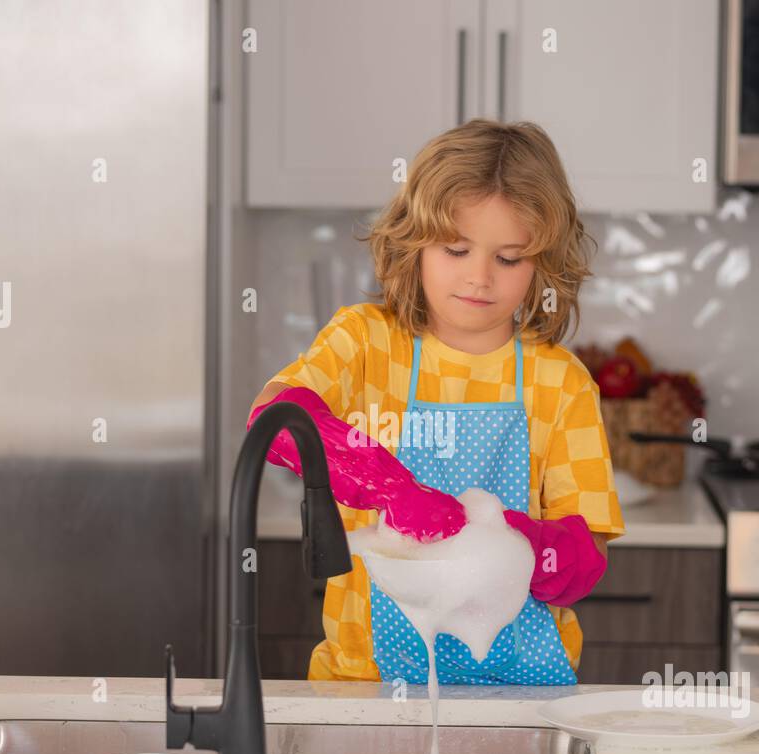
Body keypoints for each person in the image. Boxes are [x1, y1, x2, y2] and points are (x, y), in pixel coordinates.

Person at [248, 119, 624, 685]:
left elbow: (584, 556)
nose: (479, 277)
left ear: (542, 265)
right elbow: (274, 419)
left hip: (519, 694)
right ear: (414, 241)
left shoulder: (560, 381)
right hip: (364, 686)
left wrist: (495, 544)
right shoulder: (366, 342)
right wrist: (391, 489)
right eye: (456, 248)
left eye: (510, 258)